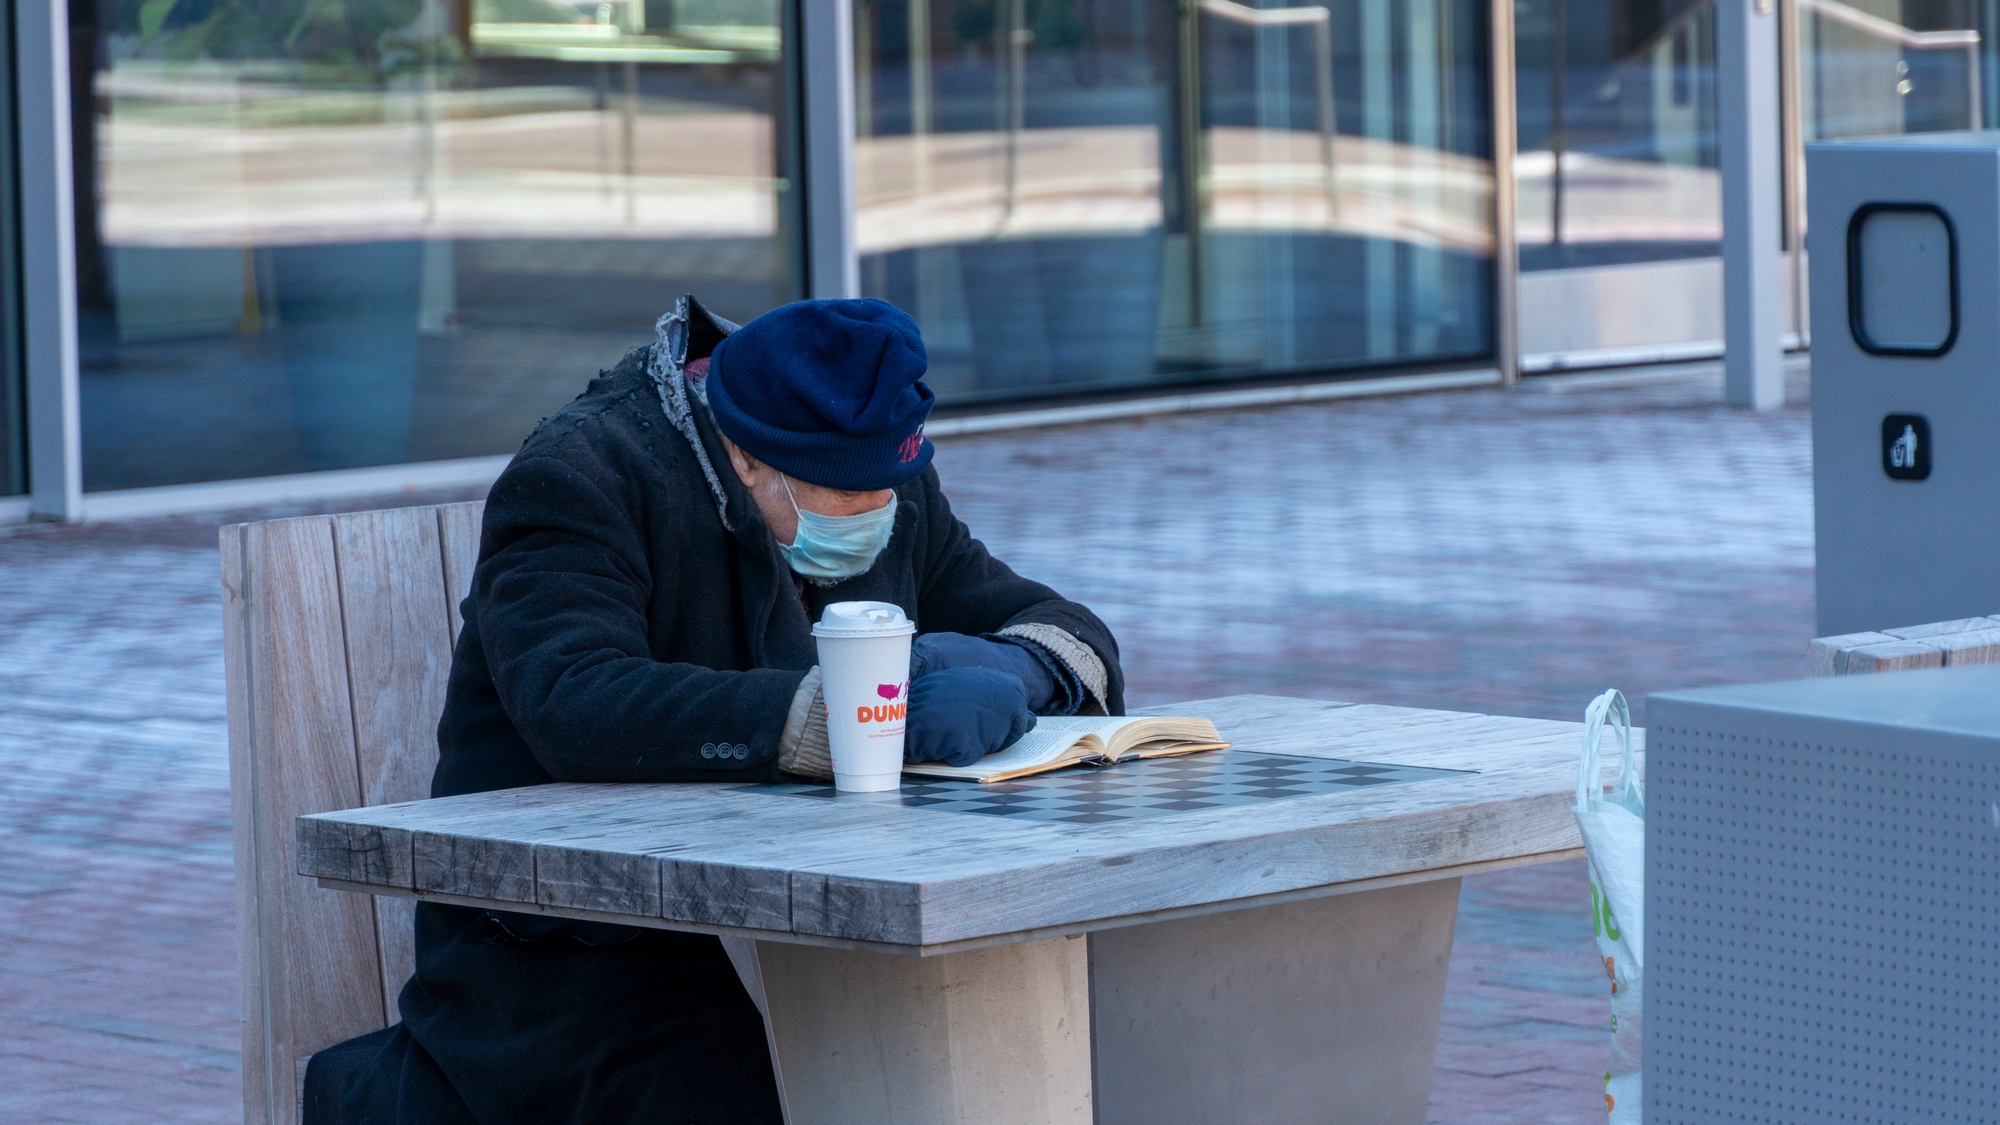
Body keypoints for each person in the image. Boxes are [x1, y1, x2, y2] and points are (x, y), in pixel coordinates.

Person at [301, 294, 1124, 1123]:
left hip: (815, 916)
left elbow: (1055, 620)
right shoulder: (583, 474)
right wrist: (834, 718)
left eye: (889, 488)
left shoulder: (873, 470)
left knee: (1047, 1031)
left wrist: (1021, 668)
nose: (876, 515)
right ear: (745, 457)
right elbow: (575, 695)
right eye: (844, 496)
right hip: (575, 939)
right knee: (736, 1091)